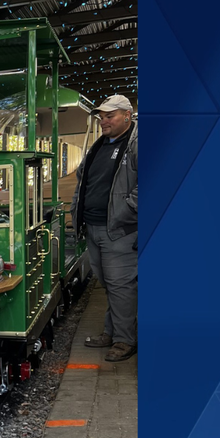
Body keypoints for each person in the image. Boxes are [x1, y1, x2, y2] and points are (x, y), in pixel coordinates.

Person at [72, 94, 137, 362]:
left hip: (119, 229)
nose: (103, 120)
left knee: (121, 285)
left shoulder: (136, 143)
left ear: (127, 116)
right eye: (101, 116)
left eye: (109, 116)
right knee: (110, 285)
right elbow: (83, 182)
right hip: (95, 227)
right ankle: (112, 332)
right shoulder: (100, 145)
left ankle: (125, 341)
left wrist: (126, 211)